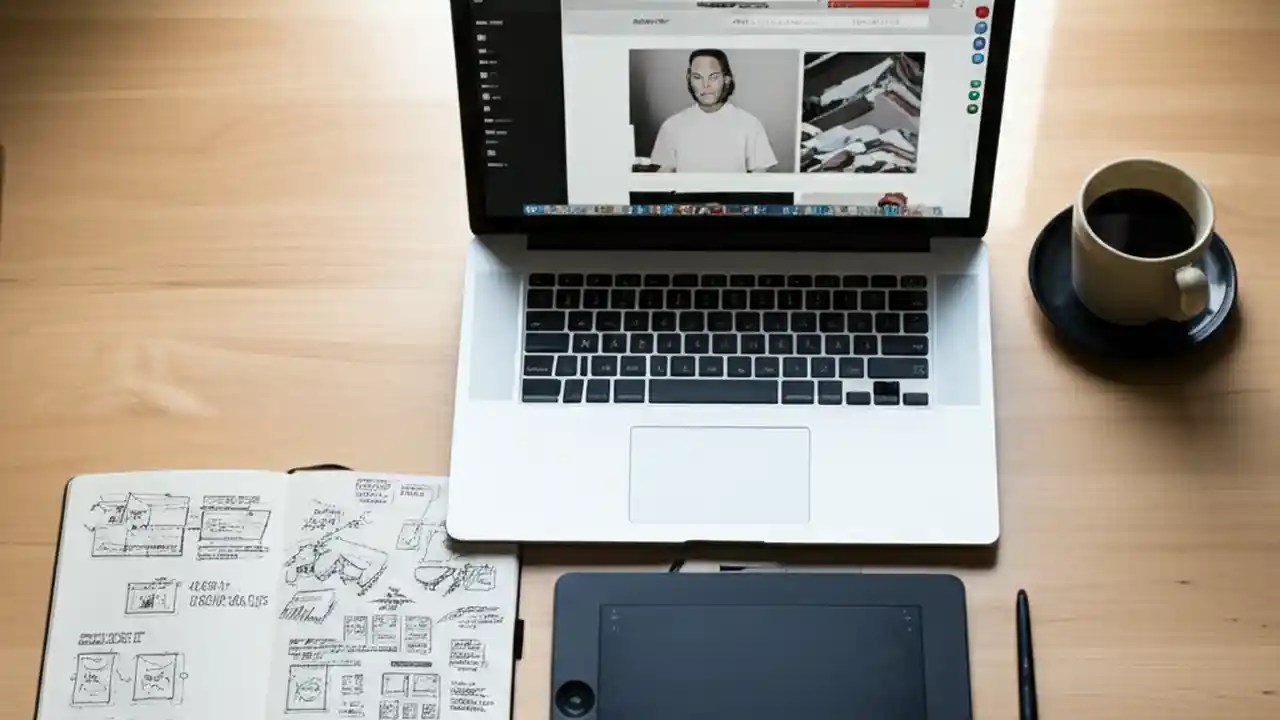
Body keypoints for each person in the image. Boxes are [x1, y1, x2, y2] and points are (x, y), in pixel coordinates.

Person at [649, 49, 778, 173]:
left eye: (713, 77)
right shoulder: (671, 126)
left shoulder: (750, 124)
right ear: (689, 80)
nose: (706, 85)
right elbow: (664, 177)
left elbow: (760, 178)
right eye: (698, 77)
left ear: (726, 79)